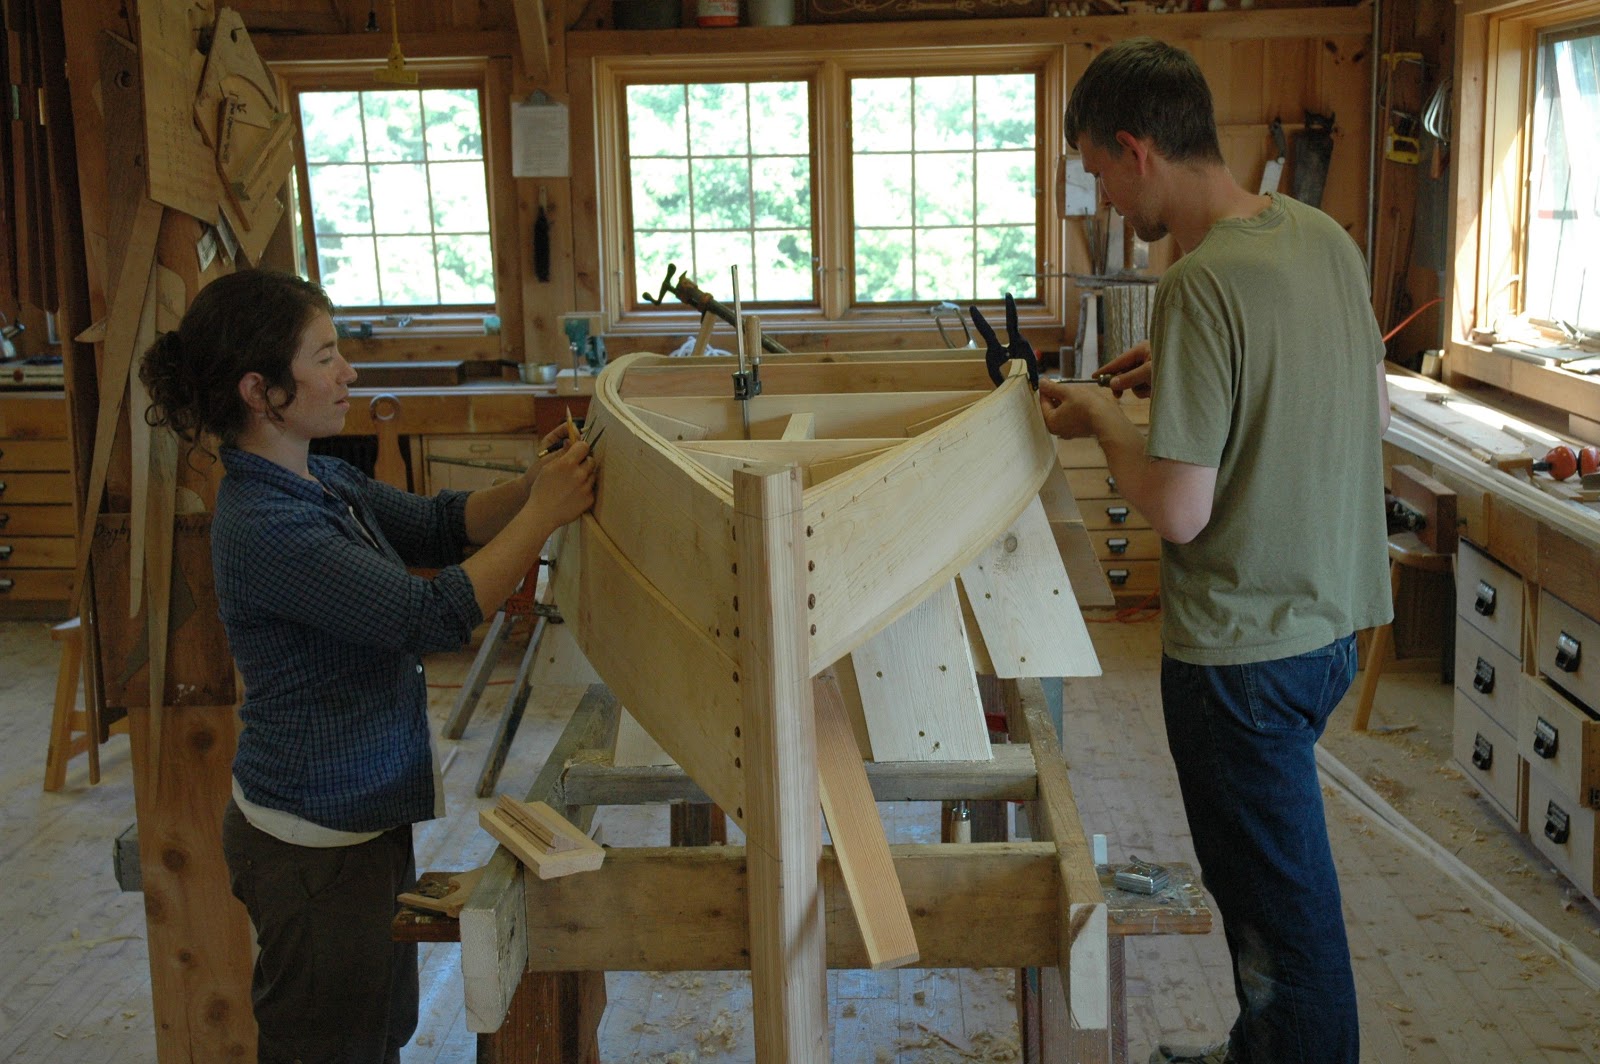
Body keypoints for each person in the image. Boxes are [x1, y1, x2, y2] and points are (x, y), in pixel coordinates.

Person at [139, 268, 596, 1064]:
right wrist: (547, 516)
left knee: (380, 1029)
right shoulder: (268, 524)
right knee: (330, 1047)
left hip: (357, 814)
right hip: (312, 840)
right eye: (324, 357)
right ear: (261, 391)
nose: (347, 371)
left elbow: (437, 525)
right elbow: (430, 616)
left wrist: (529, 488)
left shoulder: (316, 476)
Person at [1039, 38, 1392, 1064]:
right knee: (1264, 898)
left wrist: (1105, 414)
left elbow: (1180, 511)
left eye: (1100, 171)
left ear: (1136, 148)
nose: (1106, 198)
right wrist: (1193, 372)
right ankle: (1260, 1046)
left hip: (1241, 657)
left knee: (1283, 927)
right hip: (1328, 628)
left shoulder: (1196, 283)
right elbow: (1361, 400)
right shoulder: (1318, 237)